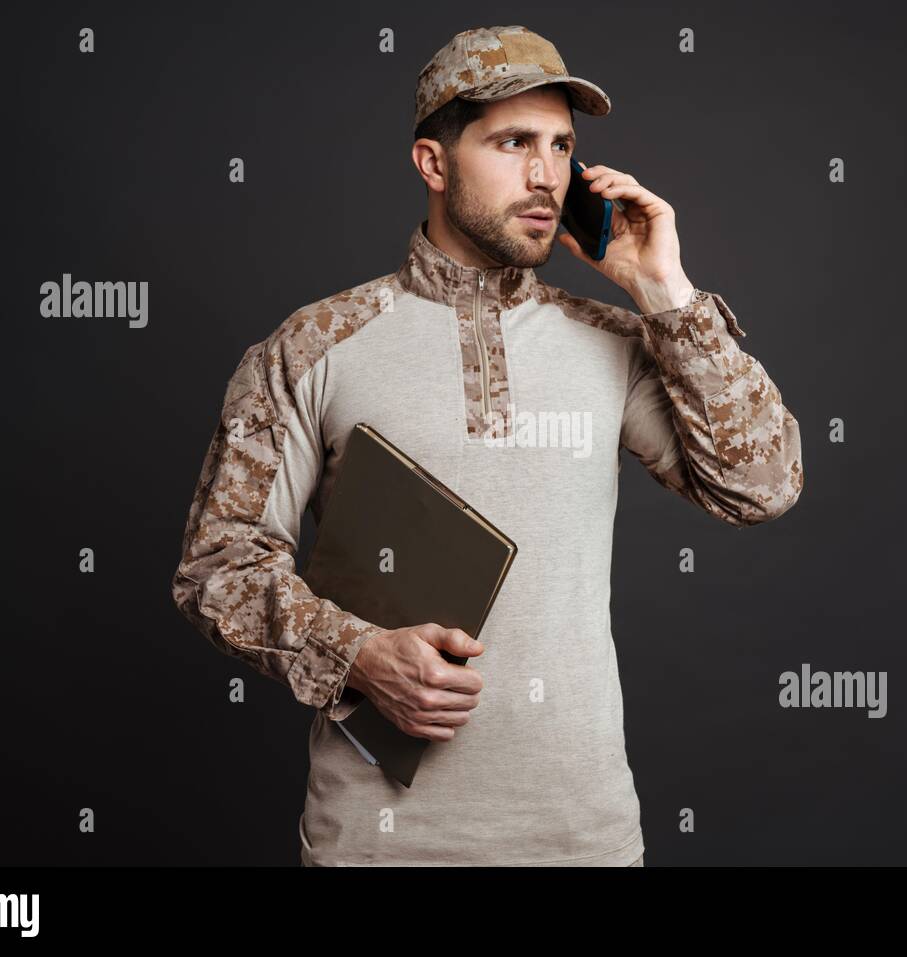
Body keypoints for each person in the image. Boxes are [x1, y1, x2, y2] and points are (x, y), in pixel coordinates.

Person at [170, 24, 804, 867]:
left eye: (562, 146)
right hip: (376, 847)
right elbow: (217, 566)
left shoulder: (617, 342)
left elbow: (760, 484)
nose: (547, 176)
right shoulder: (313, 346)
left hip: (583, 843)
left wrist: (667, 292)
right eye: (513, 143)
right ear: (433, 164)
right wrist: (356, 652)